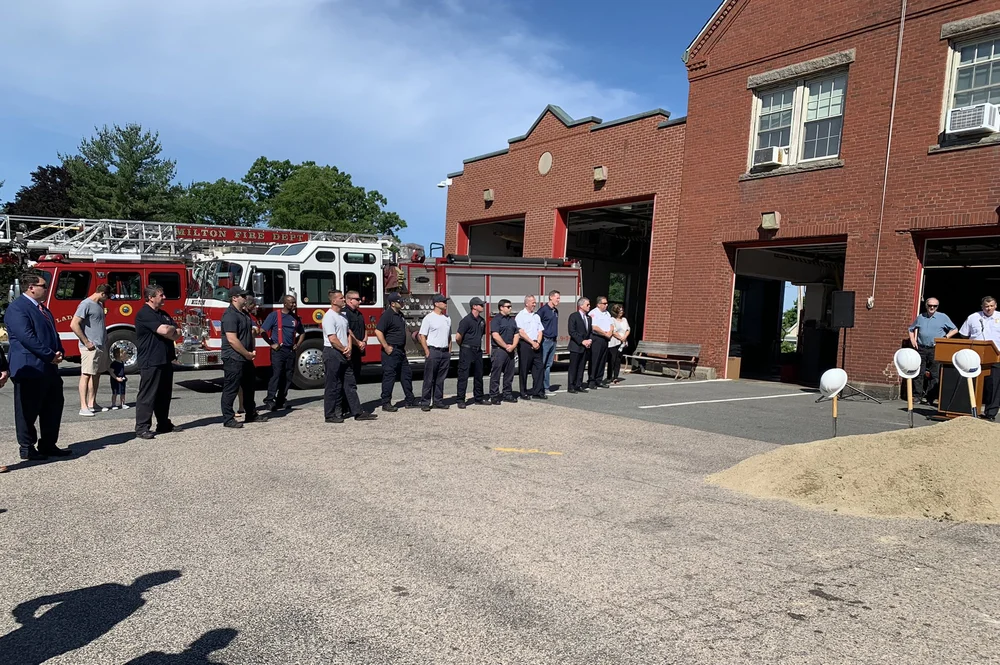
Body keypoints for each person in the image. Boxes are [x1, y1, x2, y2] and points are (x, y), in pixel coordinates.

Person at [6, 273, 69, 461]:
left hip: (49, 368)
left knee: (53, 406)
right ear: (31, 287)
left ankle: (48, 444)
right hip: (29, 368)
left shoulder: (43, 309)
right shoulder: (18, 308)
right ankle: (27, 447)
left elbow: (52, 334)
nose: (46, 288)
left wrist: (60, 351)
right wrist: (50, 355)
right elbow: (27, 337)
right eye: (43, 285)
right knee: (28, 410)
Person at [135, 284, 182, 439]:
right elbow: (165, 331)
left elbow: (176, 333)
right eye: (161, 295)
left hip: (165, 360)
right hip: (151, 360)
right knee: (148, 395)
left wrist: (170, 331)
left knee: (164, 395)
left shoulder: (163, 314)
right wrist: (169, 331)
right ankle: (142, 427)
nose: (164, 297)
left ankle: (163, 423)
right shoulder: (144, 313)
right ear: (151, 297)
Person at [323, 289, 376, 423]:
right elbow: (332, 338)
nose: (343, 300)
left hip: (345, 352)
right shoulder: (329, 316)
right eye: (341, 298)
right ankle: (330, 414)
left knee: (350, 383)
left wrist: (350, 348)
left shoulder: (343, 316)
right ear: (334, 301)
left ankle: (357, 412)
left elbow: (348, 333)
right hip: (333, 352)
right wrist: (344, 349)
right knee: (333, 385)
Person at [220, 287, 267, 429]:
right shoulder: (230, 315)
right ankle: (228, 418)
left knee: (249, 387)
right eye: (242, 296)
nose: (245, 298)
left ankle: (251, 413)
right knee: (231, 388)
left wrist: (252, 348)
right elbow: (232, 339)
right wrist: (246, 353)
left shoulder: (244, 314)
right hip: (234, 357)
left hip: (245, 357)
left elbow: (250, 332)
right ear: (234, 298)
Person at [70, 284, 113, 416]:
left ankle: (92, 403)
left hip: (100, 346)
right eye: (108, 296)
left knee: (96, 374)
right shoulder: (85, 304)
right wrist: (86, 342)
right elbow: (74, 324)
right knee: (86, 374)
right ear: (103, 294)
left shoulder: (99, 305)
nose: (107, 300)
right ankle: (83, 407)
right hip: (90, 347)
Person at [907, 297, 957, 404]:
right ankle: (917, 396)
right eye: (930, 305)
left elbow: (955, 329)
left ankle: (930, 397)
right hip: (921, 348)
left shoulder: (943, 317)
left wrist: (945, 338)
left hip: (936, 348)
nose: (932, 308)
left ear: (937, 307)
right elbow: (911, 329)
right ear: (926, 306)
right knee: (919, 372)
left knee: (935, 374)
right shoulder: (920, 317)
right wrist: (913, 340)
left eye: (935, 306)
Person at [959, 295, 1000, 422]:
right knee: (973, 383)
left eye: (991, 306)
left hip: (995, 356)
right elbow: (964, 335)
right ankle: (969, 410)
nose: (989, 309)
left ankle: (990, 413)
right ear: (982, 307)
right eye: (986, 306)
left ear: (995, 306)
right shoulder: (973, 317)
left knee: (993, 385)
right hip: (974, 356)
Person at [376, 292, 418, 412]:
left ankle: (410, 400)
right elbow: (378, 331)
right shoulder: (387, 315)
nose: (402, 303)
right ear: (393, 303)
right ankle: (386, 402)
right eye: (399, 301)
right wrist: (386, 346)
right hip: (391, 350)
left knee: (406, 375)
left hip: (400, 350)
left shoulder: (400, 314)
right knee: (389, 376)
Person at [261, 294, 304, 412]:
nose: (294, 305)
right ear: (285, 303)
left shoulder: (295, 318)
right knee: (276, 374)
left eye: (295, 302)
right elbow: (262, 331)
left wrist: (298, 344)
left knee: (288, 376)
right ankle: (269, 400)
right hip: (278, 350)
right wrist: (271, 343)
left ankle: (281, 399)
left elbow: (302, 333)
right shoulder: (274, 315)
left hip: (290, 350)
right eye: (292, 303)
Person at [419, 294, 452, 411]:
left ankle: (438, 401)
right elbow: (422, 335)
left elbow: (448, 336)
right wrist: (427, 351)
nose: (445, 303)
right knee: (429, 378)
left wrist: (449, 350)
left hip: (444, 352)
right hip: (433, 350)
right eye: (443, 302)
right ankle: (425, 402)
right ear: (436, 304)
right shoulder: (429, 318)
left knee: (441, 378)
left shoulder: (447, 318)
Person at [455, 296, 487, 408]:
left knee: (479, 375)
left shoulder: (482, 321)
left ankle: (478, 398)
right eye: (480, 305)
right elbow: (458, 337)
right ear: (474, 306)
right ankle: (460, 400)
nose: (483, 306)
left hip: (477, 350)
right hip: (466, 349)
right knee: (463, 375)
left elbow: (481, 334)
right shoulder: (466, 320)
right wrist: (463, 347)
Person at [515, 295, 546, 400]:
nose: (534, 304)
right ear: (526, 303)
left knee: (539, 368)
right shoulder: (520, 316)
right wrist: (532, 342)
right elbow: (521, 332)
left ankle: (537, 391)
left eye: (534, 302)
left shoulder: (536, 316)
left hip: (537, 344)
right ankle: (523, 392)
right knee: (524, 369)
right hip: (525, 345)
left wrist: (538, 342)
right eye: (532, 302)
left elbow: (540, 330)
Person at [489, 299, 518, 404]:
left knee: (509, 374)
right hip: (499, 350)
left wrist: (513, 346)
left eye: (510, 306)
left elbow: (516, 333)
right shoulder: (496, 320)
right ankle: (494, 395)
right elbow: (495, 335)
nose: (510, 308)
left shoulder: (512, 320)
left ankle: (507, 394)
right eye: (508, 306)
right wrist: (506, 346)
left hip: (510, 350)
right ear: (501, 307)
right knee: (496, 374)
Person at [344, 289, 367, 410]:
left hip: (359, 349)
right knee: (349, 380)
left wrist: (364, 340)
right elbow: (348, 331)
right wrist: (357, 342)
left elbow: (364, 327)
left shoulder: (359, 313)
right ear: (349, 300)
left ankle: (350, 405)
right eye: (357, 299)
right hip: (351, 350)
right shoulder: (345, 313)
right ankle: (346, 406)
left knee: (356, 376)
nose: (360, 301)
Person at [537, 290, 561, 394]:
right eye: (557, 298)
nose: (559, 300)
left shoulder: (555, 311)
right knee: (542, 364)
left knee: (548, 365)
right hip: (545, 340)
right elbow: (537, 324)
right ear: (551, 297)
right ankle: (540, 387)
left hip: (553, 341)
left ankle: (546, 387)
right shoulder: (543, 310)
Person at [567, 297, 592, 393]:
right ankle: (571, 386)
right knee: (573, 366)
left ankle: (579, 384)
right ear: (581, 306)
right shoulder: (574, 316)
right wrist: (582, 341)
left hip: (585, 347)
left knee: (581, 366)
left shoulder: (588, 318)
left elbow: (589, 331)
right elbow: (572, 331)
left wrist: (589, 340)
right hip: (576, 346)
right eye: (587, 305)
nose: (589, 306)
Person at [588, 296, 614, 389]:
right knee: (595, 360)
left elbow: (611, 325)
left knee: (602, 360)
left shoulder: (607, 313)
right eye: (604, 303)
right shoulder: (593, 313)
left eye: (607, 303)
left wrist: (610, 333)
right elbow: (594, 327)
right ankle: (591, 380)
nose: (606, 305)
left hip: (605, 339)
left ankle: (599, 380)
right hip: (597, 338)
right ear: (598, 304)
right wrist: (604, 334)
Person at [608, 304, 631, 385]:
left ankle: (616, 377)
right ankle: (609, 376)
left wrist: (624, 337)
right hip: (614, 342)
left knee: (618, 360)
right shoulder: (612, 319)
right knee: (612, 359)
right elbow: (613, 331)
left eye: (622, 310)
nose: (621, 312)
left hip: (622, 342)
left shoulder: (624, 320)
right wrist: (620, 338)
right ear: (615, 311)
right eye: (620, 310)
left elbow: (628, 329)